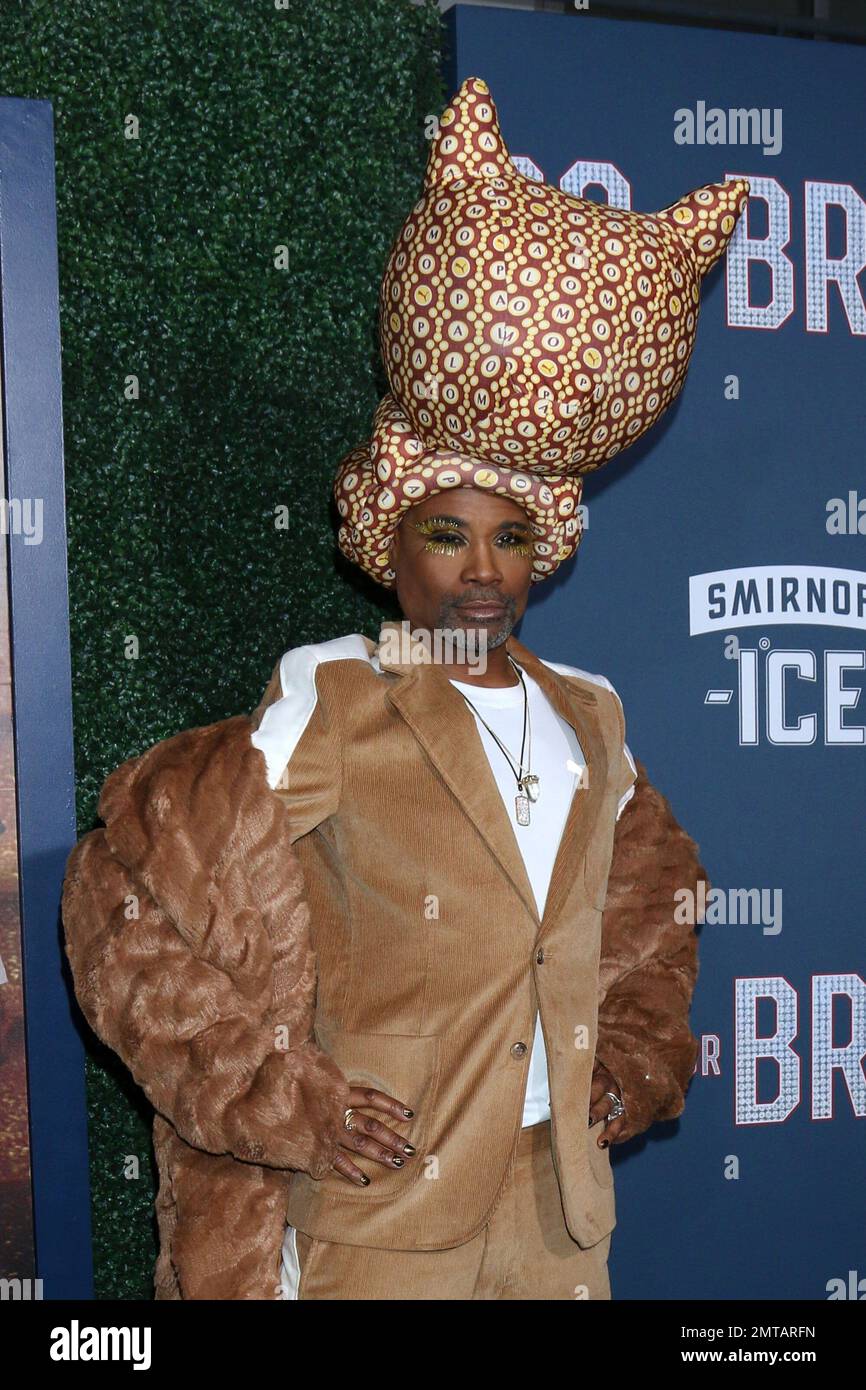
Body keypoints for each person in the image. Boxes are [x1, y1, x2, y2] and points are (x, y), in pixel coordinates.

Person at [61, 76, 748, 1300]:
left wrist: (633, 1058)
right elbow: (122, 893)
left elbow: (654, 914)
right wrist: (287, 1093)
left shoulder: (591, 715)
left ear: (546, 550)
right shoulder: (330, 695)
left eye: (510, 540)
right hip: (379, 1231)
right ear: (391, 541)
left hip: (558, 1226)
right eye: (445, 534)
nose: (480, 571)